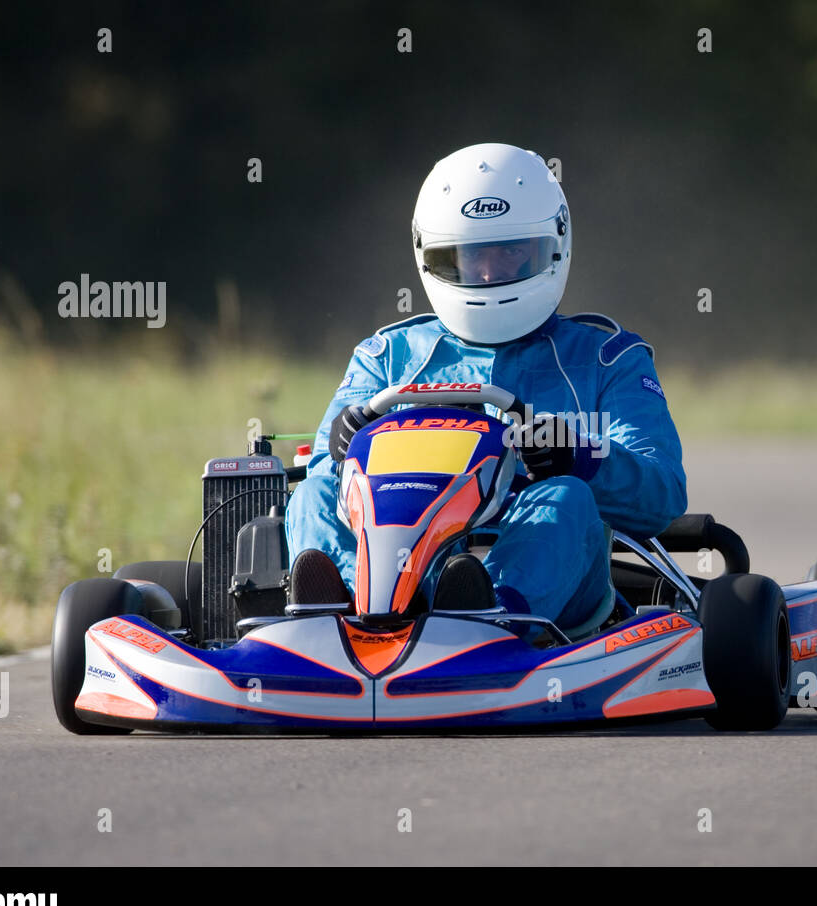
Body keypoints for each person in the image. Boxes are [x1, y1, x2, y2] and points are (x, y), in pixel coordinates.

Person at [285, 143, 686, 628]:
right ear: (431, 257)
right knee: (315, 492)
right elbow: (327, 469)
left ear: (554, 245)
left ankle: (489, 618)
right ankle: (340, 617)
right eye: (470, 258)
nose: (492, 273)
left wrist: (580, 458)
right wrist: (341, 444)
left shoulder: (606, 358)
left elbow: (662, 494)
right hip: (401, 561)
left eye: (513, 253)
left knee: (567, 496)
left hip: (544, 585)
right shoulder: (386, 357)